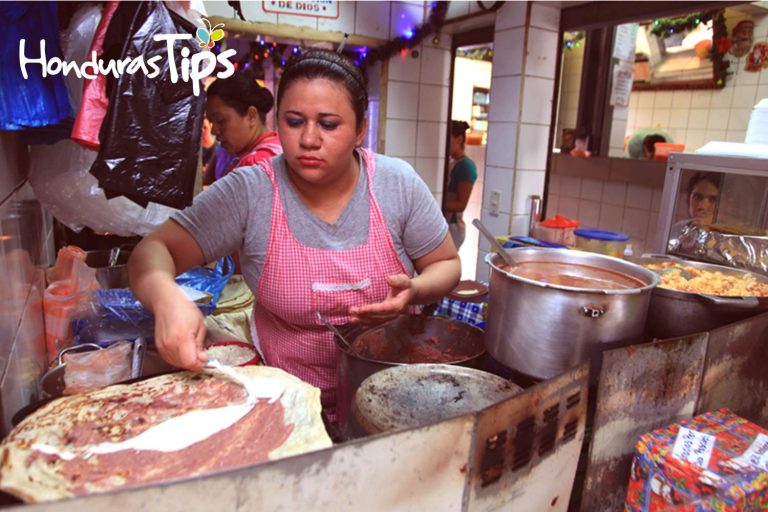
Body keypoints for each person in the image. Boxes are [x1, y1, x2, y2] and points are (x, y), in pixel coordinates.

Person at [129, 50, 461, 416]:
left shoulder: (396, 184)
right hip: (285, 399)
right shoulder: (250, 191)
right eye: (294, 121)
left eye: (329, 124)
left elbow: (446, 264)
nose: (308, 139)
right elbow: (154, 250)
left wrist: (415, 289)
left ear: (360, 130)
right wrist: (166, 300)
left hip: (391, 391)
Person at [202, 72, 282, 185]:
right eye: (211, 122)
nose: (214, 131)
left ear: (251, 116)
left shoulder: (255, 165)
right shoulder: (277, 146)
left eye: (220, 121)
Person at [443, 120, 478, 249]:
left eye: (448, 138)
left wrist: (435, 203)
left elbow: (461, 204)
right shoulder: (451, 162)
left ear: (459, 139)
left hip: (453, 227)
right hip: (445, 224)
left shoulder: (466, 166)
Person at [669, 172, 721, 240]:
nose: (702, 206)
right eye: (697, 197)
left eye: (713, 200)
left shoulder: (732, 237)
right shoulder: (677, 230)